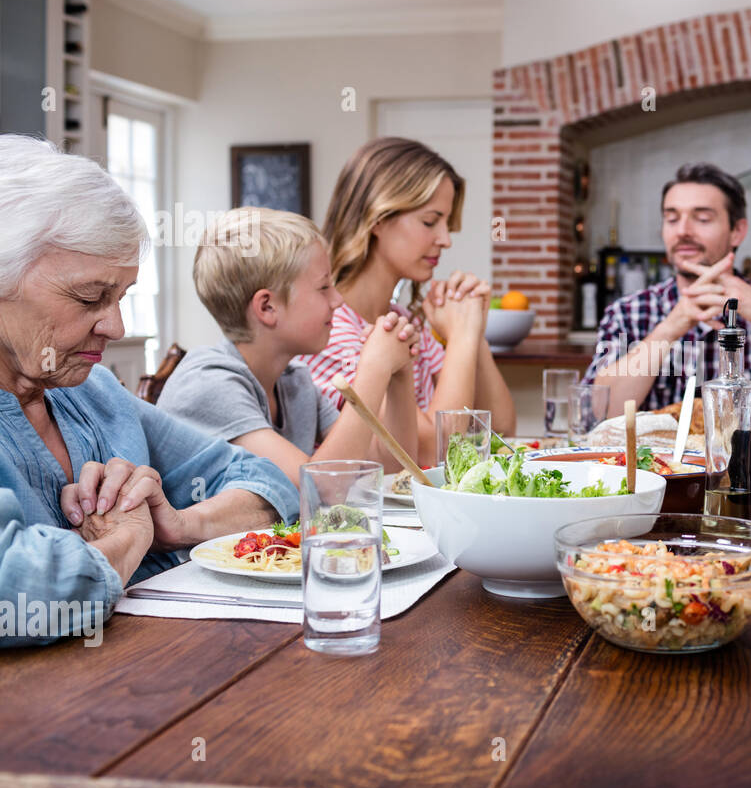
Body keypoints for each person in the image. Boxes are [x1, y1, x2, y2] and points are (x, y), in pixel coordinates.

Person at [0, 135, 296, 647]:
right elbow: (14, 588)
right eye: (91, 297)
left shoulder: (90, 391)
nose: (114, 327)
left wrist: (177, 525)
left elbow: (267, 482)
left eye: (121, 297)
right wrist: (128, 538)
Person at [157, 207, 420, 486]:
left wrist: (399, 374)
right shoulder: (208, 384)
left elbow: (391, 470)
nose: (338, 300)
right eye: (323, 287)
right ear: (267, 307)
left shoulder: (295, 382)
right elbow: (319, 490)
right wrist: (373, 369)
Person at [298, 137, 516, 465]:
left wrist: (472, 327)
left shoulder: (402, 319)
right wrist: (461, 337)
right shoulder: (331, 330)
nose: (444, 239)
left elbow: (499, 428)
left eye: (446, 224)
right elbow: (434, 451)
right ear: (378, 219)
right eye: (430, 221)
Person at [583, 162, 751, 430]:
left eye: (702, 219)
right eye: (672, 218)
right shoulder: (628, 312)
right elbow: (597, 416)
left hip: (750, 471)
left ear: (737, 231)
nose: (683, 230)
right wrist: (668, 329)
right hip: (655, 471)